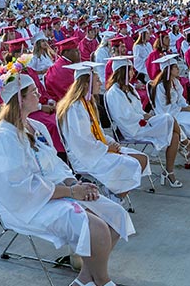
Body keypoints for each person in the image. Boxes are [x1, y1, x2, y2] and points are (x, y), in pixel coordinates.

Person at [0, 66, 134, 286]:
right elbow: (20, 187)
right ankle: (103, 282)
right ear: (19, 100)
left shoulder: (38, 127)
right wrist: (71, 193)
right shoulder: (2, 138)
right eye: (33, 92)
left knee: (114, 214)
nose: (39, 96)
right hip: (25, 205)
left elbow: (56, 165)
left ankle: (84, 280)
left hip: (55, 191)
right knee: (95, 226)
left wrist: (75, 183)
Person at [56, 61, 150, 199]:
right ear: (86, 84)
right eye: (97, 80)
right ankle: (116, 199)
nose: (100, 83)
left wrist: (111, 143)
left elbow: (98, 131)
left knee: (142, 159)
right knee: (132, 164)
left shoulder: (87, 103)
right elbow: (82, 142)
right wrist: (107, 148)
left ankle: (115, 195)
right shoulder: (74, 108)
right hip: (86, 157)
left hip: (98, 149)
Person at [104, 56, 185, 188]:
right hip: (132, 129)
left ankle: (169, 172)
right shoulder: (114, 92)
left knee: (174, 135)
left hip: (141, 123)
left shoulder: (128, 87)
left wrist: (146, 116)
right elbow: (124, 116)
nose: (133, 73)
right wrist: (145, 118)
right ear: (122, 71)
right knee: (168, 118)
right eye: (130, 70)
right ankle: (186, 143)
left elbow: (139, 110)